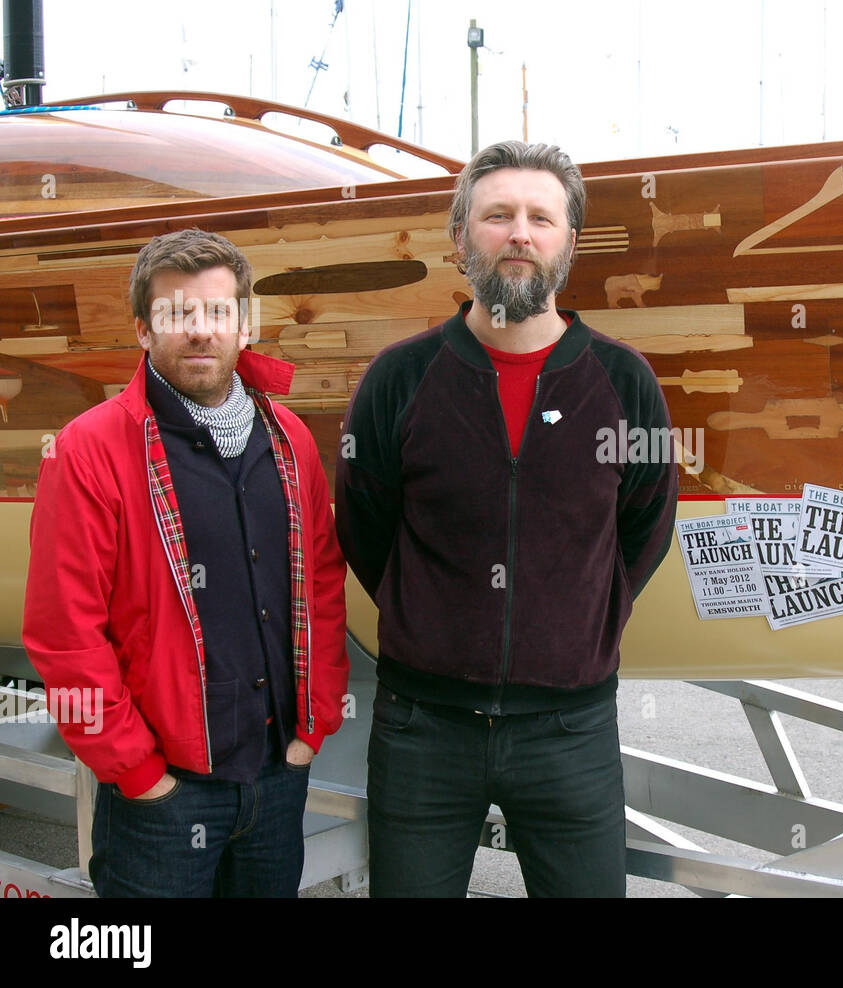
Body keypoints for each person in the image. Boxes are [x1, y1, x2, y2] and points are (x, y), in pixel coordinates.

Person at [336, 140, 678, 897]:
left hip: (571, 731)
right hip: (423, 728)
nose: (519, 232)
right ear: (462, 240)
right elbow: (364, 526)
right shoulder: (400, 378)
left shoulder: (624, 383)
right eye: (497, 215)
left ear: (568, 244)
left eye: (539, 217)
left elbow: (645, 527)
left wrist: (580, 623)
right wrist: (425, 614)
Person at [22, 228, 351, 896]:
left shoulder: (288, 442)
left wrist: (311, 731)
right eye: (177, 314)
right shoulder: (90, 451)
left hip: (276, 778)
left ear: (242, 325)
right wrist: (140, 775)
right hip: (162, 802)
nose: (200, 330)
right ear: (144, 330)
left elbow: (320, 584)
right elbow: (65, 632)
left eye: (217, 312)